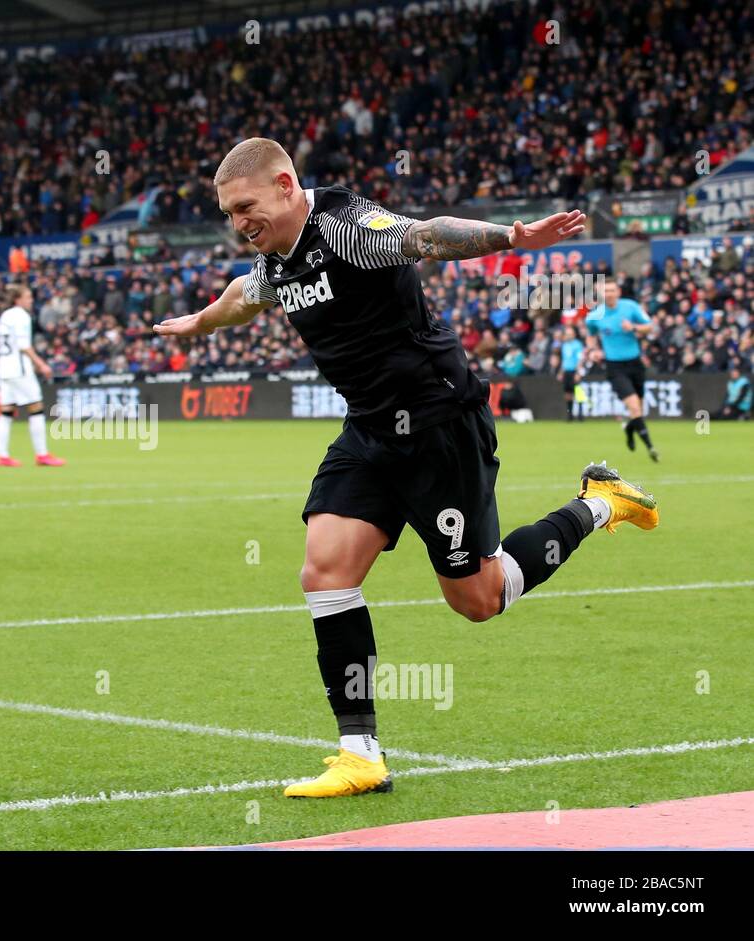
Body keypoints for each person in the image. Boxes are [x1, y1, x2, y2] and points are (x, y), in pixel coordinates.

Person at [154, 138, 657, 798]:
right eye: (228, 213)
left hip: (439, 424)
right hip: (369, 430)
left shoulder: (346, 228)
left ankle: (599, 501)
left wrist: (511, 236)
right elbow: (243, 296)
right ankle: (360, 754)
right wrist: (198, 323)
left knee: (478, 599)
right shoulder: (276, 259)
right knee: (324, 571)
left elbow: (425, 236)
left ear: (284, 185)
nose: (238, 222)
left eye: (245, 206)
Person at [585, 280, 658, 460]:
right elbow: (590, 336)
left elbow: (650, 327)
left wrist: (633, 327)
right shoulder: (594, 316)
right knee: (633, 406)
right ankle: (650, 447)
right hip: (614, 366)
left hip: (635, 363)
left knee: (638, 410)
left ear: (618, 292)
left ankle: (629, 429)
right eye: (606, 291)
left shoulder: (630, 307)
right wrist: (593, 350)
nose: (609, 294)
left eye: (612, 290)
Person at [0, 283, 64, 467]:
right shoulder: (21, 316)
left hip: (4, 369)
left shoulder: (5, 315)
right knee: (36, 408)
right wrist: (41, 364)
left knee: (6, 412)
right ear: (18, 299)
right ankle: (42, 454)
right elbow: (23, 346)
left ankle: (3, 456)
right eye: (28, 297)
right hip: (19, 369)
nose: (31, 301)